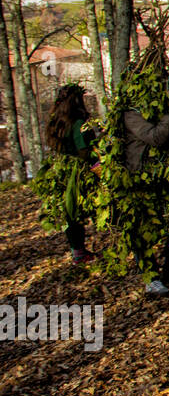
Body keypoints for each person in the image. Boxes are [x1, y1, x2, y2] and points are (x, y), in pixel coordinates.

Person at [123, 84, 169, 295]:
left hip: (163, 177)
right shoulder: (131, 114)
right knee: (142, 231)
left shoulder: (156, 112)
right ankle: (150, 276)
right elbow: (155, 137)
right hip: (139, 181)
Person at [44, 83, 97, 264]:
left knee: (70, 212)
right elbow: (83, 150)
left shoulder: (56, 121)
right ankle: (79, 252)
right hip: (77, 173)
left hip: (62, 172)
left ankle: (77, 250)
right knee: (76, 210)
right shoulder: (77, 124)